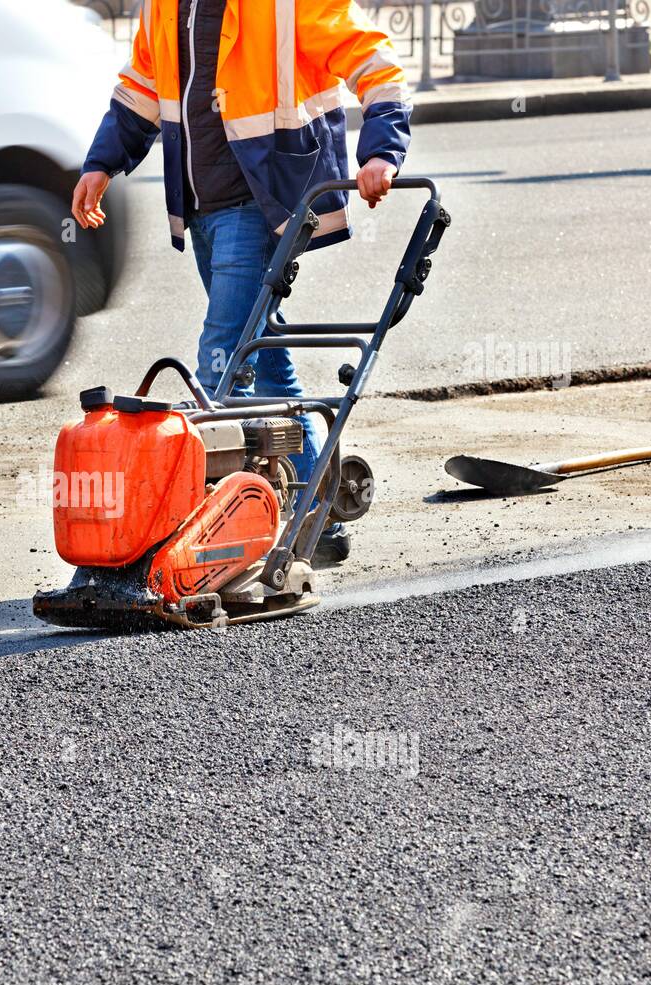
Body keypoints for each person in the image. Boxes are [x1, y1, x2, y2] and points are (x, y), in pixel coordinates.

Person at [71, 0, 412, 565]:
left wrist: (380, 150)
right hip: (200, 208)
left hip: (262, 203)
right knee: (267, 357)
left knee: (223, 361)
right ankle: (318, 510)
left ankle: (213, 535)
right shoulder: (165, 6)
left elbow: (375, 63)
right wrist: (100, 164)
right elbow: (140, 90)